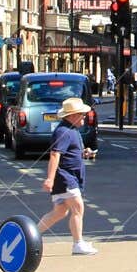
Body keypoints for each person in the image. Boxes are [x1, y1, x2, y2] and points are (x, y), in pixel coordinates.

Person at [37, 97, 98, 256]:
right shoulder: (63, 131)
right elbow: (55, 154)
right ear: (71, 116)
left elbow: (70, 152)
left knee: (60, 211)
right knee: (78, 208)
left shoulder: (72, 130)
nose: (84, 117)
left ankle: (32, 235)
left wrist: (84, 152)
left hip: (68, 177)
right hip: (65, 177)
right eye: (81, 114)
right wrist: (50, 179)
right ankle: (78, 244)